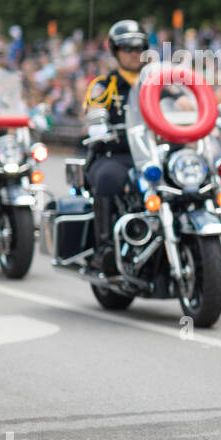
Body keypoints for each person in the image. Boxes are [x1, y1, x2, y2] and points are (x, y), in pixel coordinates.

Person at [83, 20, 149, 274]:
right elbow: (94, 106)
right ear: (115, 50)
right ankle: (105, 247)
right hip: (117, 153)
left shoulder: (157, 82)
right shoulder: (105, 84)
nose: (134, 53)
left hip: (151, 154)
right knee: (109, 177)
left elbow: (179, 103)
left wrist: (188, 107)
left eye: (139, 47)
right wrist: (97, 122)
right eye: (127, 47)